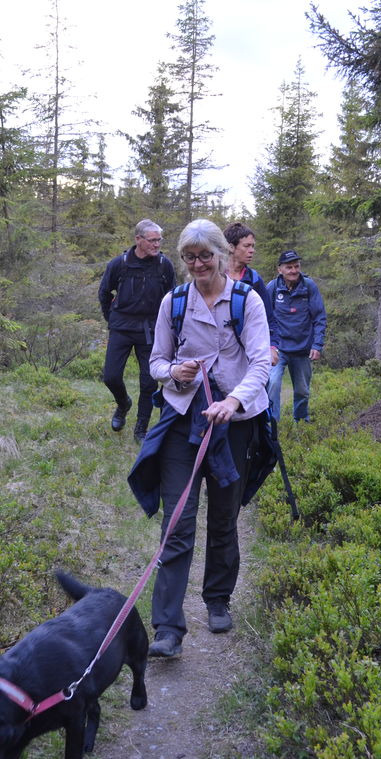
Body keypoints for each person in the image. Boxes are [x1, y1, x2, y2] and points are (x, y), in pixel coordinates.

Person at [127, 219, 275, 659]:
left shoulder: (247, 301)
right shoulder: (173, 302)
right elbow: (156, 361)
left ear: (222, 256)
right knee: (177, 524)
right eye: (189, 257)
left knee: (225, 517)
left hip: (234, 421)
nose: (197, 265)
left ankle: (217, 599)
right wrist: (174, 372)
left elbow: (261, 365)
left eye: (205, 256)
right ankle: (168, 629)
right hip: (181, 420)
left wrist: (233, 404)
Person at [98, 220, 177, 441]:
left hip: (151, 330)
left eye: (159, 240)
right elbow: (104, 293)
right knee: (111, 377)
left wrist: (169, 329)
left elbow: (172, 299)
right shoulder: (119, 264)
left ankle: (141, 430)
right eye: (152, 240)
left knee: (149, 382)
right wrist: (111, 319)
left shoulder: (164, 265)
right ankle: (123, 404)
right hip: (121, 328)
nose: (157, 244)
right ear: (138, 240)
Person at [266, 250, 327, 422]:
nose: (293, 270)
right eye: (289, 267)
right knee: (273, 383)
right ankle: (272, 425)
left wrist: (317, 345)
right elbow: (263, 318)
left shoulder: (309, 286)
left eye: (296, 266)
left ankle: (301, 422)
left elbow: (319, 317)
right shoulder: (271, 288)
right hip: (278, 349)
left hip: (302, 349)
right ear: (280, 269)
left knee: (302, 391)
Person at [222, 222, 279, 365]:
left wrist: (272, 347)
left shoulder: (254, 280)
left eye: (253, 246)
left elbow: (268, 318)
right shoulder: (216, 277)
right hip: (221, 351)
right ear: (231, 247)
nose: (252, 250)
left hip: (251, 351)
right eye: (247, 246)